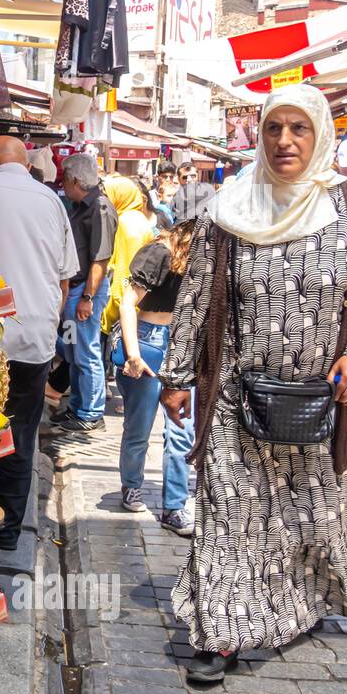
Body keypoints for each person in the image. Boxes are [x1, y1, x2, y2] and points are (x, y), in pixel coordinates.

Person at [159, 84, 347, 684]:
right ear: (259, 135)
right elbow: (194, 301)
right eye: (273, 129)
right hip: (240, 395)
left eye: (299, 129)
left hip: (323, 400)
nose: (285, 141)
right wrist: (179, 376)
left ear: (321, 136)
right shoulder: (230, 208)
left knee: (310, 516)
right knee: (230, 516)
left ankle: (302, 605)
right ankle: (221, 634)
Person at [0, 136, 79, 550]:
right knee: (22, 430)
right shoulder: (50, 200)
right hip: (34, 336)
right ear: (27, 164)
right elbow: (65, 276)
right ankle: (10, 532)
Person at [114, 187, 203, 535]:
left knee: (181, 430)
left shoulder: (202, 258)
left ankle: (174, 507)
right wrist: (133, 353)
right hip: (149, 340)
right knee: (140, 425)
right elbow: (127, 302)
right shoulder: (158, 253)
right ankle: (131, 483)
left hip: (180, 342)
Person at [54, 152, 118, 433]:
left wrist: (87, 298)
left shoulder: (100, 207)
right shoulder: (81, 206)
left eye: (65, 179)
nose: (63, 184)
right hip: (75, 292)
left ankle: (90, 412)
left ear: (76, 180)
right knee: (72, 351)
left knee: (86, 352)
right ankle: (78, 407)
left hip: (85, 292)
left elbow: (100, 259)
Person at [100, 175, 158, 334]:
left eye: (107, 195)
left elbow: (125, 274)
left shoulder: (128, 224)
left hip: (122, 316)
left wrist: (113, 313)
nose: (104, 200)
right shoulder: (134, 219)